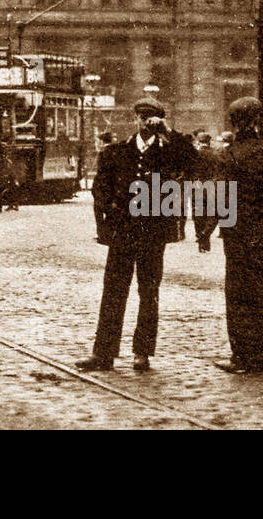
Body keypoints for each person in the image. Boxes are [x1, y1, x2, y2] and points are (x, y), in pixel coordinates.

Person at [77, 97, 189, 373]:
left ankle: (142, 352)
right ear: (135, 119)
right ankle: (103, 353)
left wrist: (168, 132)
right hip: (123, 234)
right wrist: (109, 210)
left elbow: (194, 162)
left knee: (148, 293)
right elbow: (100, 188)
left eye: (151, 118)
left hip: (153, 235)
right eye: (141, 117)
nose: (144, 123)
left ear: (159, 120)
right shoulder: (117, 152)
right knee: (113, 292)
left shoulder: (169, 152)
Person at [212, 97, 263, 375]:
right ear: (258, 121)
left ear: (234, 123)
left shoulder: (229, 154)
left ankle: (241, 357)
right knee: (259, 295)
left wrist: (207, 230)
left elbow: (220, 197)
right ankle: (259, 358)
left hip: (237, 233)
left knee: (236, 296)